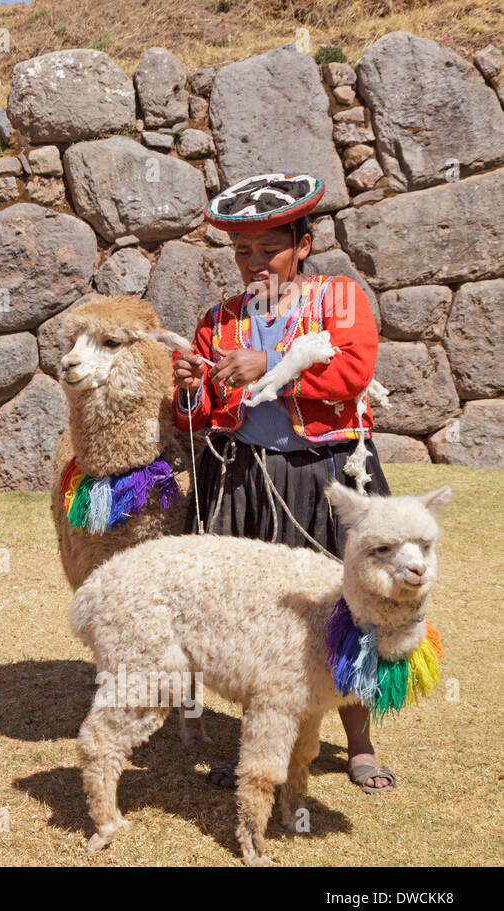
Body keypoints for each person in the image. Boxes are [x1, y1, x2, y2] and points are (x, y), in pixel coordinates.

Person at [172, 172, 398, 793]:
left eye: (267, 248)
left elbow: (352, 370)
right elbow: (194, 419)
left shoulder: (339, 300)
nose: (252, 263)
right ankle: (260, 745)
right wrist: (192, 385)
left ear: (302, 244)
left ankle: (359, 744)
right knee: (259, 617)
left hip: (330, 474)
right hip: (248, 477)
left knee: (350, 603)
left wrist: (270, 364)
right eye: (241, 251)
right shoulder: (218, 321)